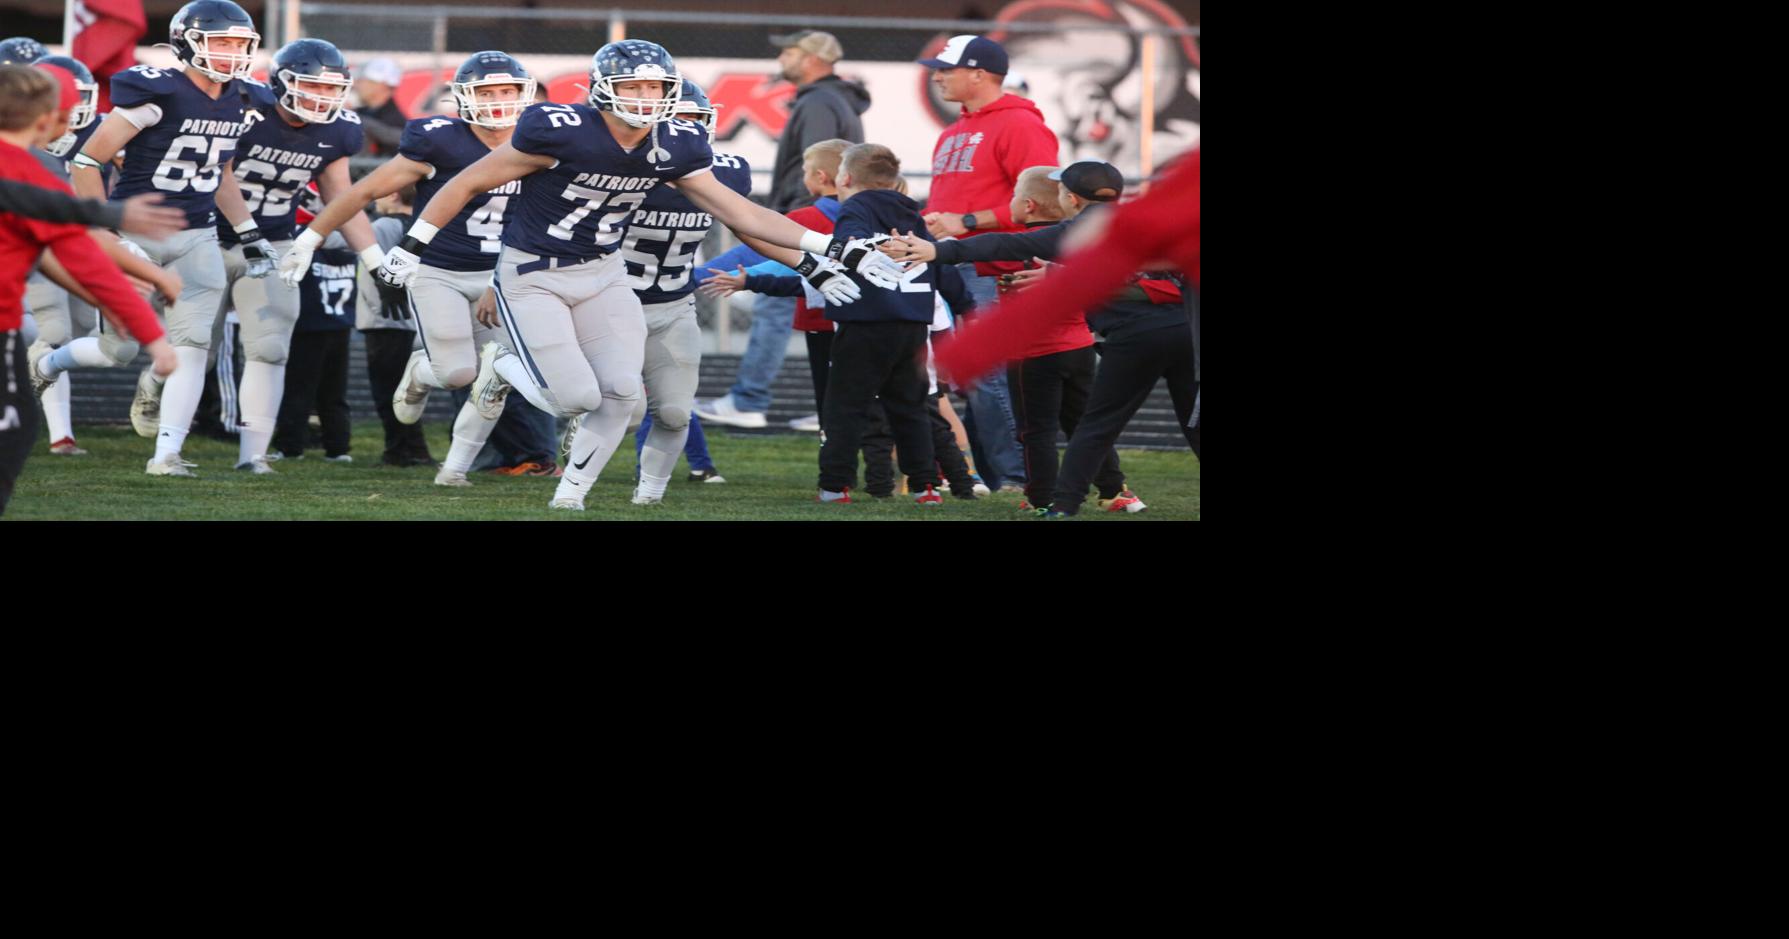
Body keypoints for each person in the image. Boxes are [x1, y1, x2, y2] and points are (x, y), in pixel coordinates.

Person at [433, 39, 902, 511]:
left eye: (683, 113)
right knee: (580, 396)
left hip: (672, 301)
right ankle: (488, 414)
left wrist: (819, 260)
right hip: (597, 289)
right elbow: (533, 220)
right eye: (636, 90)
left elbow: (748, 221)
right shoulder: (605, 157)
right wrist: (496, 277)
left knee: (665, 409)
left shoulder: (697, 165)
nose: (674, 122)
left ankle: (603, 497)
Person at [284, 50, 535, 488]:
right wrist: (310, 237)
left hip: (502, 274)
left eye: (507, 92)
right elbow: (363, 191)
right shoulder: (440, 140)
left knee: (494, 378)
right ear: (464, 97)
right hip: (440, 270)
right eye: (487, 91)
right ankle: (419, 372)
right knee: (459, 373)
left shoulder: (540, 141)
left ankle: (454, 469)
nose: (498, 101)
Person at [930, 149, 1201, 516]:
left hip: (1129, 337)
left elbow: (1008, 244)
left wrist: (935, 250)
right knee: (1192, 420)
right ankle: (1108, 493)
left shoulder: (1082, 229)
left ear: (1070, 198)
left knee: (1093, 425)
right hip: (1182, 333)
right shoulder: (1141, 220)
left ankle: (1062, 505)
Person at [68, 0, 274, 477]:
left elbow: (218, 171)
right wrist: (104, 231)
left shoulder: (241, 97)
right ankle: (52, 365)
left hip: (196, 234)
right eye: (220, 41)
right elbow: (86, 161)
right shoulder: (156, 91)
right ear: (188, 42)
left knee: (193, 344)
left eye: (240, 43)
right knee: (116, 349)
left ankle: (166, 454)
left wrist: (249, 232)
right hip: (136, 230)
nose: (231, 53)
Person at [202, 37, 380, 475]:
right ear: (281, 82)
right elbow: (218, 175)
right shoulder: (242, 109)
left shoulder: (339, 130)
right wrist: (245, 230)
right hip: (206, 234)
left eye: (329, 88)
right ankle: (158, 400)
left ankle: (254, 455)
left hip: (275, 240)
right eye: (311, 86)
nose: (321, 98)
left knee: (270, 347)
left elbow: (341, 198)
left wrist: (375, 259)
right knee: (194, 349)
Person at [2, 64, 174, 515]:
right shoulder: (26, 167)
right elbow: (70, 237)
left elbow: (47, 249)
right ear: (47, 119)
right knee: (12, 436)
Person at [692, 30, 869, 431]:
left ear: (811, 58)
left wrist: (794, 217)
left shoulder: (821, 101)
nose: (782, 59)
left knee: (774, 305)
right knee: (816, 312)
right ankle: (830, 409)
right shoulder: (832, 98)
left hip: (804, 219)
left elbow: (820, 166)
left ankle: (751, 399)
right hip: (814, 218)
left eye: (789, 52)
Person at [917, 34, 1060, 495]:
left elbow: (1046, 200)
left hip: (991, 268)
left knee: (989, 375)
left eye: (946, 68)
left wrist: (968, 221)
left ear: (979, 73)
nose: (936, 76)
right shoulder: (954, 129)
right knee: (965, 377)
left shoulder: (1019, 124)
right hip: (951, 265)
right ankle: (989, 476)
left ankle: (1019, 477)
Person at [605, 79, 749, 505]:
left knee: (672, 403)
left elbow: (752, 228)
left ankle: (672, 477)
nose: (688, 130)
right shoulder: (622, 170)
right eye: (679, 119)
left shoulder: (725, 172)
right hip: (609, 300)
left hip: (671, 301)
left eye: (696, 120)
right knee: (613, 399)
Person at [807, 143, 945, 505]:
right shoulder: (910, 209)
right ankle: (925, 486)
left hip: (867, 321)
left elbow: (850, 240)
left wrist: (853, 246)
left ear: (847, 177)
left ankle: (835, 486)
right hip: (912, 322)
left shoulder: (853, 205)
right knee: (910, 408)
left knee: (845, 407)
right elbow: (934, 259)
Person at [357, 183, 436, 467]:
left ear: (392, 194)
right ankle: (415, 449)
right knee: (409, 392)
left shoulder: (383, 225)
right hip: (417, 319)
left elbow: (367, 260)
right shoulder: (422, 225)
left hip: (385, 319)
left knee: (388, 390)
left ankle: (399, 450)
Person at [272, 230, 356, 461]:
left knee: (299, 389)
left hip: (309, 327)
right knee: (334, 393)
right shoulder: (348, 246)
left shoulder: (303, 243)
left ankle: (290, 446)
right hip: (340, 325)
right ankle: (338, 447)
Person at [352, 57, 406, 156]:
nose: (356, 86)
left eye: (361, 81)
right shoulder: (360, 113)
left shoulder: (395, 123)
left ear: (381, 85)